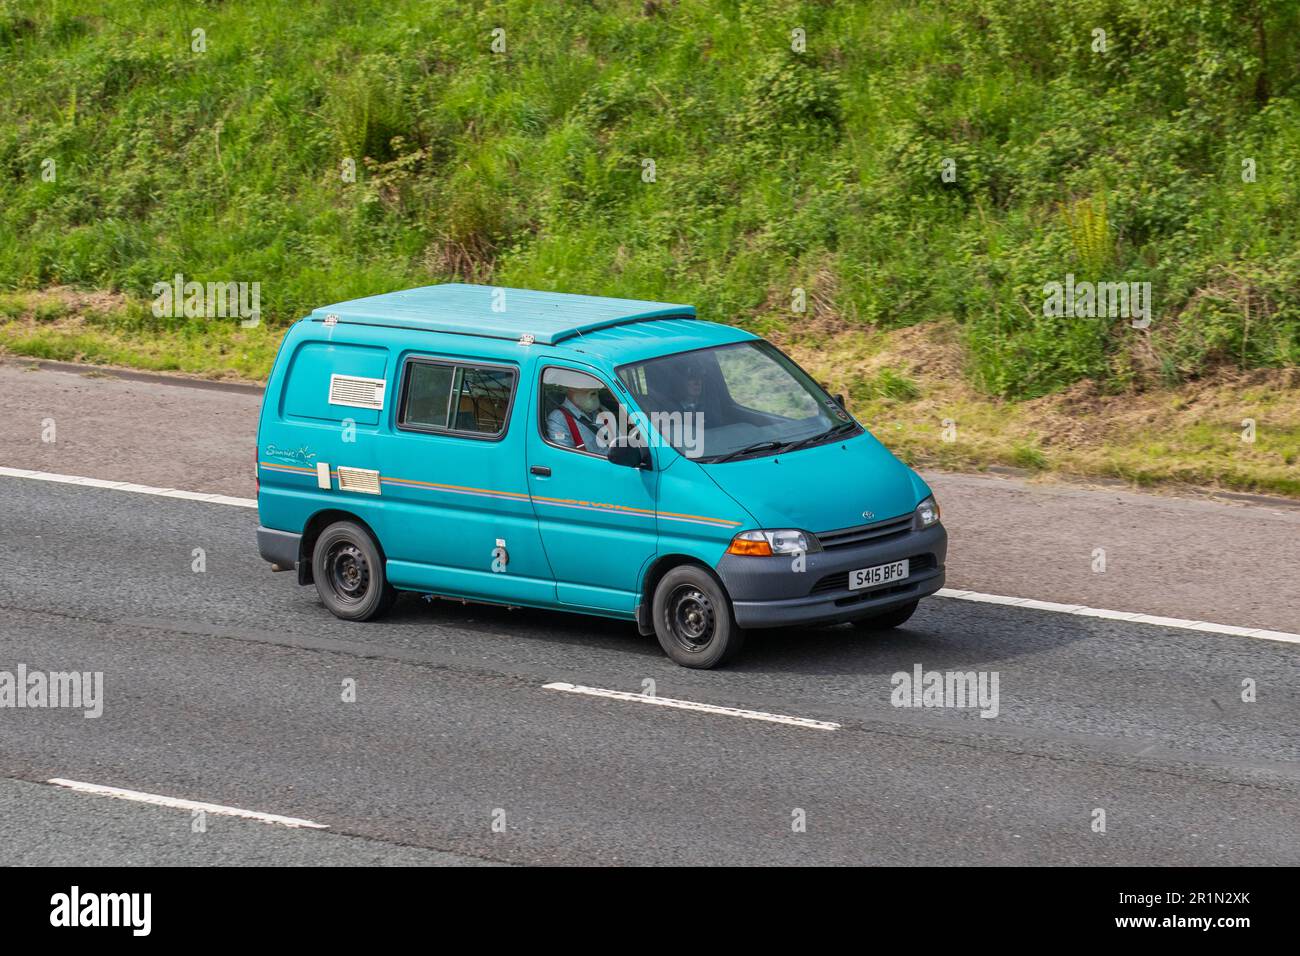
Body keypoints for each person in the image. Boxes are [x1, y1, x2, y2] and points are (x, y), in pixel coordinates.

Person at [546, 374, 610, 453]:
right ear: (571, 388)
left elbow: (619, 441)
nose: (593, 388)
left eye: (592, 383)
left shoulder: (602, 410)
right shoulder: (558, 419)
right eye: (586, 384)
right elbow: (566, 456)